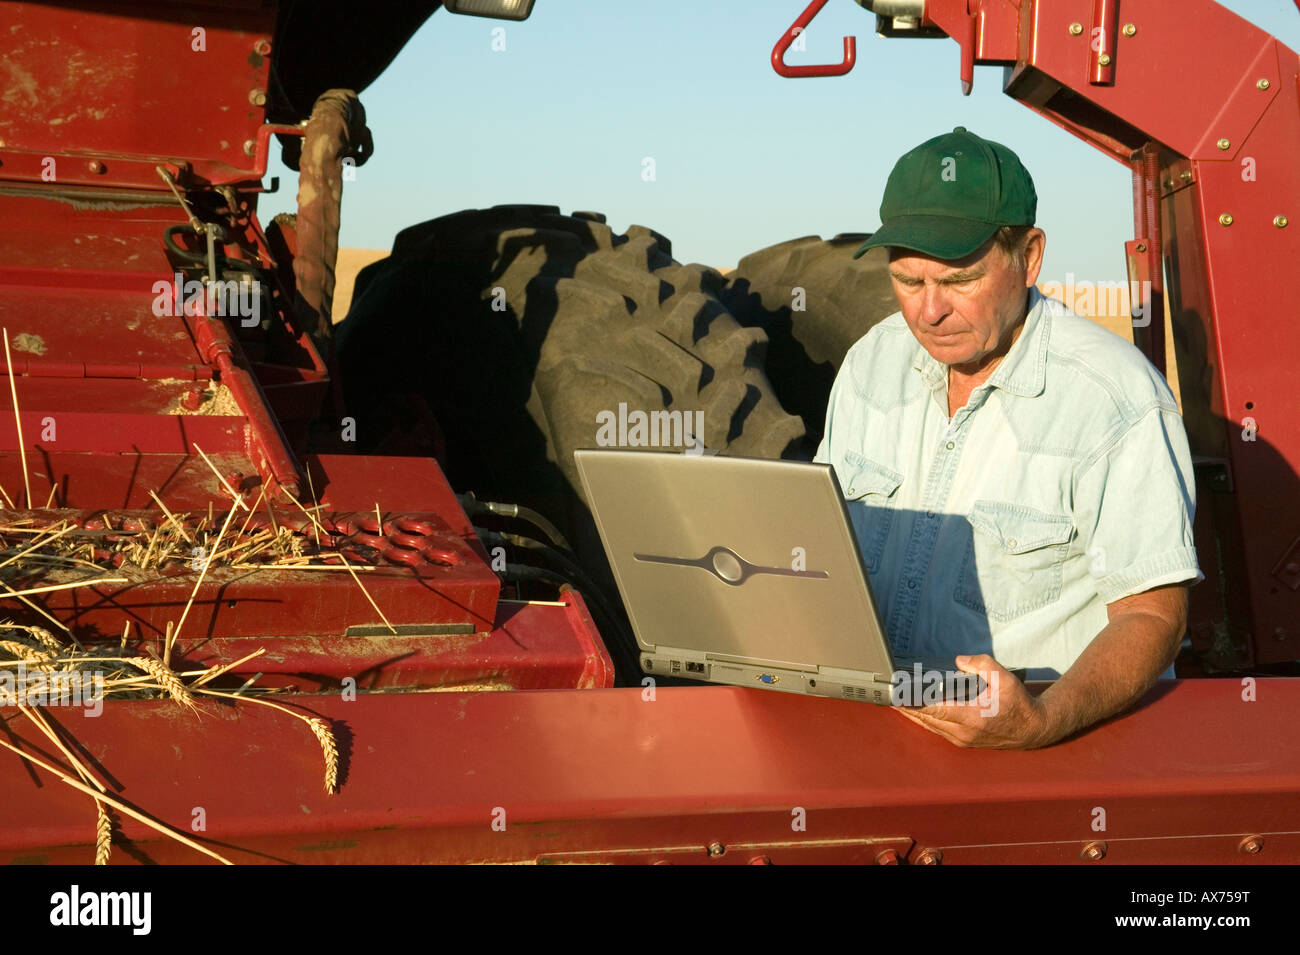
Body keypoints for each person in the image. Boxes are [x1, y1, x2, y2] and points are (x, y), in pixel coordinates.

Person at [815, 127, 1203, 749]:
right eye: (909, 282)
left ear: (1029, 256)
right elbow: (821, 548)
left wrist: (1042, 723)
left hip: (1045, 761)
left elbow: (1151, 615)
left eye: (959, 280)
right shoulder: (870, 365)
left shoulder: (1116, 400)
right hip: (877, 739)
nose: (929, 311)